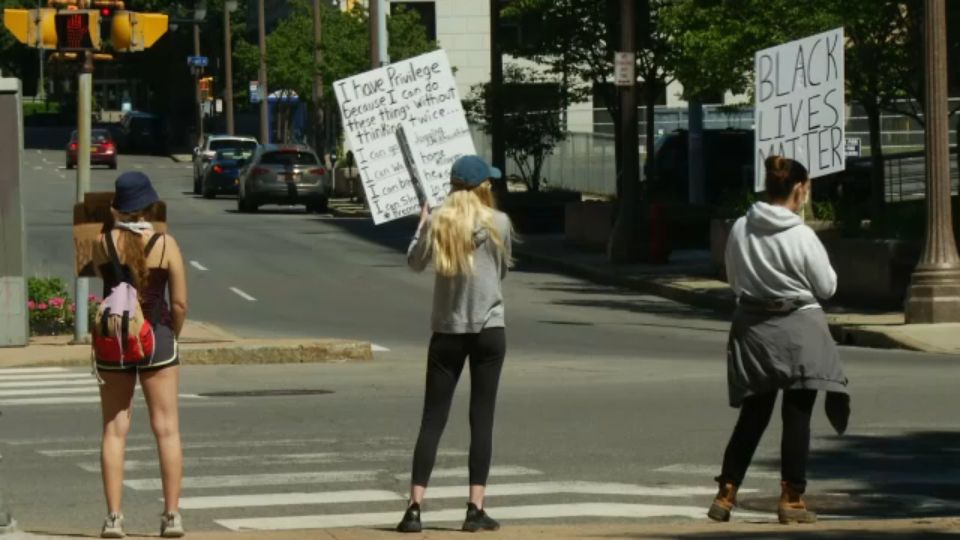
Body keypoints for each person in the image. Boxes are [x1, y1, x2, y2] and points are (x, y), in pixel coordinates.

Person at [708, 155, 848, 525]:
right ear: (800, 189)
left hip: (752, 327)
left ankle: (726, 493)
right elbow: (827, 286)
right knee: (797, 416)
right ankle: (791, 499)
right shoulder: (802, 234)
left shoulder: (741, 227)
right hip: (799, 328)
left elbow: (735, 281)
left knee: (754, 415)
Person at [397, 155, 513, 534]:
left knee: (432, 419)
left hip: (447, 331)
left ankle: (414, 508)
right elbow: (502, 272)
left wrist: (422, 223)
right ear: (482, 187)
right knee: (482, 419)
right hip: (489, 330)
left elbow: (414, 262)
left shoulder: (438, 222)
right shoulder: (498, 223)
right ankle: (474, 508)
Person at [92, 172, 188, 538]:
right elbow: (178, 302)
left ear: (118, 206)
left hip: (114, 338)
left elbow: (106, 284)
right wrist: (171, 334)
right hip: (156, 337)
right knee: (166, 429)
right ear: (150, 205)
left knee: (115, 429)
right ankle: (171, 516)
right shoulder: (166, 244)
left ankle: (114, 518)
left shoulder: (102, 242)